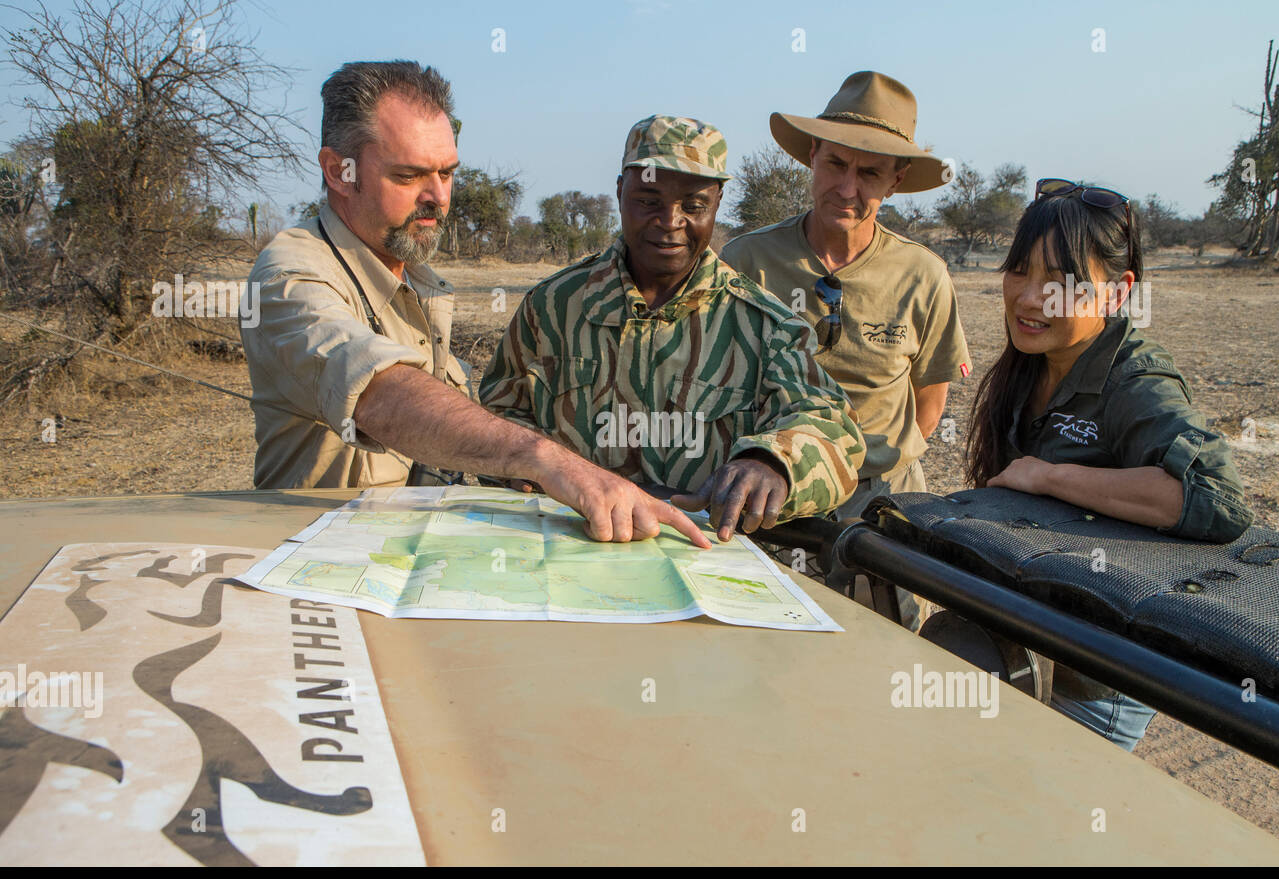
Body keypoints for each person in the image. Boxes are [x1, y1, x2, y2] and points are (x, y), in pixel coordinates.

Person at [241, 62, 708, 548]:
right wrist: (543, 459)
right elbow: (378, 390)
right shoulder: (290, 277)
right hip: (321, 554)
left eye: (447, 173)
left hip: (413, 548)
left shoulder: (417, 274)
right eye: (408, 176)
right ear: (340, 171)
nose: (438, 198)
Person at [960, 178, 1254, 750]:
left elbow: (1219, 498)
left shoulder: (1135, 378)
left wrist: (1048, 476)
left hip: (1094, 679)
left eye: (1060, 282)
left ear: (1117, 293)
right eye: (1019, 269)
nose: (1027, 297)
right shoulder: (1032, 361)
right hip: (1026, 636)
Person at [478, 115, 866, 542]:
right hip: (567, 548)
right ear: (620, 191)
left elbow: (833, 430)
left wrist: (772, 463)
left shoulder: (763, 324)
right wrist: (526, 466)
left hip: (700, 559)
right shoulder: (552, 307)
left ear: (717, 203)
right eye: (648, 200)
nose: (670, 220)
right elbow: (498, 410)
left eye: (693, 206)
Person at [721, 71, 971, 626]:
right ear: (812, 156)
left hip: (881, 507)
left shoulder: (923, 275)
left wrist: (868, 468)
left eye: (870, 173)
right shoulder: (746, 262)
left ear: (897, 180)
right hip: (771, 499)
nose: (848, 187)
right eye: (836, 164)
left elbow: (929, 399)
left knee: (886, 653)